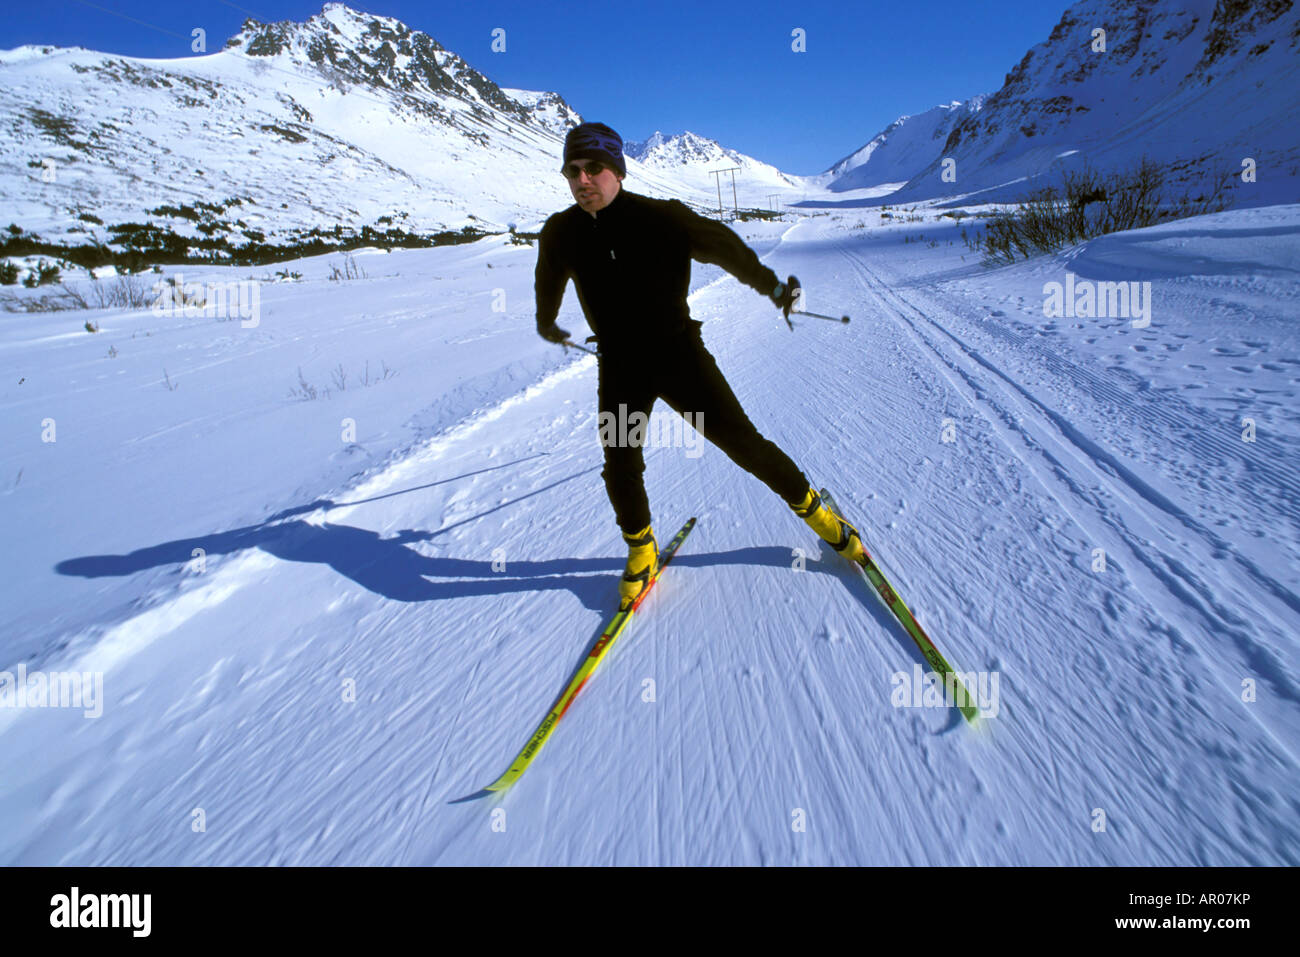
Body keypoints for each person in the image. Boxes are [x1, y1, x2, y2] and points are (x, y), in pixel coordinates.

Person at [534, 121, 864, 609]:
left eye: (594, 168)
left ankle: (823, 520)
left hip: (678, 357)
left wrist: (774, 289)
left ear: (618, 171)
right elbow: (548, 277)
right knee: (620, 461)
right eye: (573, 171)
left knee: (745, 445)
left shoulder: (662, 218)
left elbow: (726, 249)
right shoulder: (561, 231)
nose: (583, 180)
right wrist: (546, 321)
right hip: (620, 367)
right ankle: (641, 548)